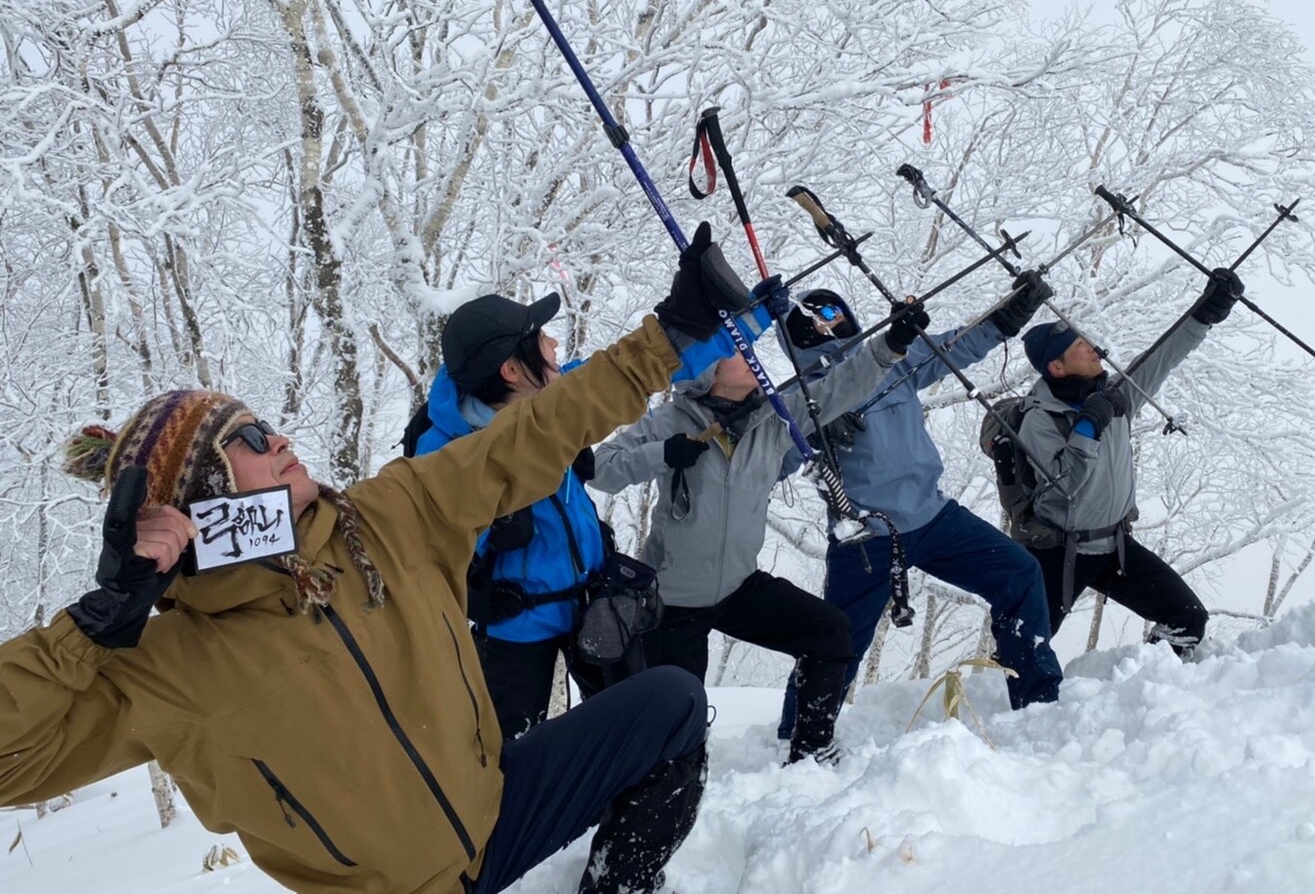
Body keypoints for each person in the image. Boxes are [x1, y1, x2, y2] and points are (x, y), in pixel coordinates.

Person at [0, 225, 746, 894]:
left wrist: (667, 338)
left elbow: (533, 433)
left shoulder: (388, 517)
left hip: (495, 815)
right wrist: (90, 629)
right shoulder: (165, 666)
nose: (282, 441)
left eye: (270, 426)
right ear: (202, 493)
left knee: (671, 703)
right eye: (252, 442)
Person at [406, 282, 779, 740]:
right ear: (511, 370)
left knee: (633, 740)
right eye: (541, 339)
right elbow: (437, 552)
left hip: (595, 606)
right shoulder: (442, 452)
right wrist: (493, 523)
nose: (554, 343)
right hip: (518, 631)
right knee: (507, 758)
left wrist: (751, 322)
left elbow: (643, 372)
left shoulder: (555, 405)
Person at [588, 294, 931, 764]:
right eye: (732, 351)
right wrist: (662, 454)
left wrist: (891, 343)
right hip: (673, 601)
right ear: (706, 372)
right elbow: (600, 468)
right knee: (678, 722)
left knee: (831, 635)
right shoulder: (669, 422)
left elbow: (838, 389)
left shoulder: (774, 417)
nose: (748, 356)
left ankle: (810, 752)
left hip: (739, 587)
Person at [777, 273, 1063, 742]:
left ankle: (1039, 702)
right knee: (837, 641)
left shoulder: (888, 360)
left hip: (932, 517)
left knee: (1019, 572)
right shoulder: (800, 400)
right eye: (813, 319)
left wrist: (1009, 316)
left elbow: (953, 347)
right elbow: (771, 458)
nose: (828, 323)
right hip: (865, 537)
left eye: (834, 313)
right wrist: (813, 430)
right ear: (797, 336)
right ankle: (797, 734)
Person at [1013, 267, 1246, 656]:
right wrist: (1087, 427)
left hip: (1114, 546)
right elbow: (1065, 487)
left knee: (1187, 618)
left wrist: (1205, 313)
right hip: (1058, 552)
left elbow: (1160, 359)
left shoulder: (1115, 398)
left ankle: (1148, 679)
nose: (1093, 349)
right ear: (1056, 367)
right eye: (1080, 347)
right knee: (1025, 649)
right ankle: (1011, 713)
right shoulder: (1038, 418)